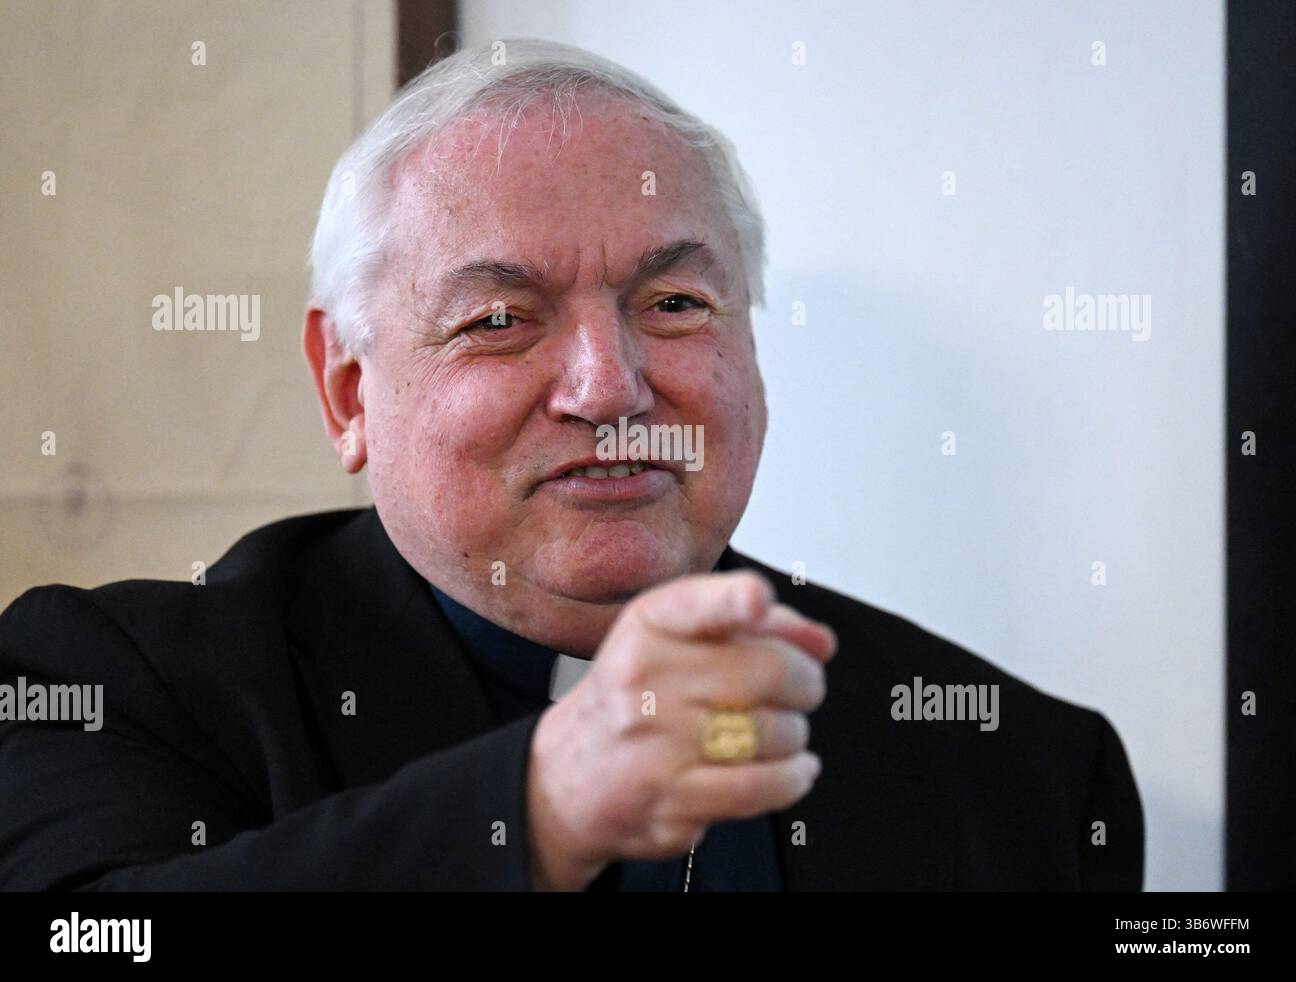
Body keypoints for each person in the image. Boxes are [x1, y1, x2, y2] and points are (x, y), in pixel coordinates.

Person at [0, 38, 1142, 891]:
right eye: (500, 318)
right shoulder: (110, 685)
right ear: (349, 391)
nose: (609, 386)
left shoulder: (1022, 769)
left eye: (674, 303)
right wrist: (538, 804)